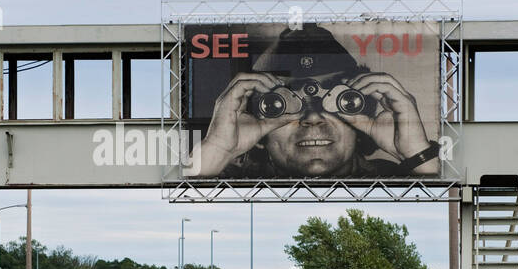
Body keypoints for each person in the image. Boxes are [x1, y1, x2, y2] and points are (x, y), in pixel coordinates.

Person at [186, 24, 440, 178]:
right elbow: (181, 194)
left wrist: (417, 155)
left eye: (340, 100)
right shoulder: (226, 178)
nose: (312, 117)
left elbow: (446, 204)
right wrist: (218, 148)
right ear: (252, 119)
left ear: (365, 107)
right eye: (281, 103)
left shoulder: (398, 177)